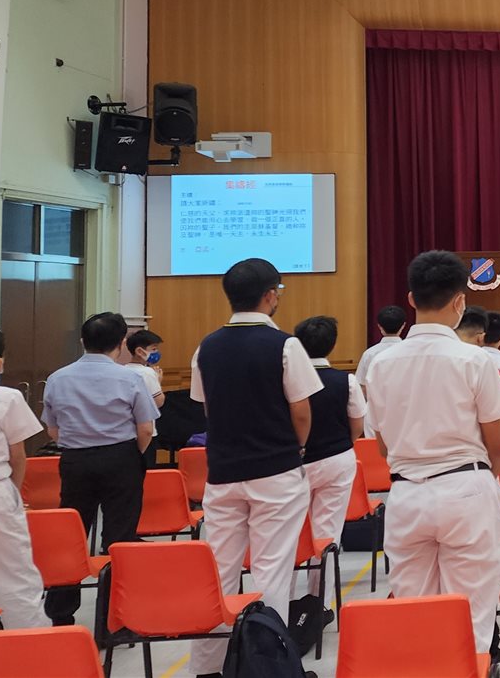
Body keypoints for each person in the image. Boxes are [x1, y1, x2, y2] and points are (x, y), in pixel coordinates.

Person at [364, 251, 500, 652]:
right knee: (473, 617)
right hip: (466, 487)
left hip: (406, 494)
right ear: (460, 301)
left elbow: (381, 445)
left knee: (416, 619)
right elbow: (497, 444)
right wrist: (482, 481)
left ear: (411, 300)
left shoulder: (380, 364)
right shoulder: (475, 360)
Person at [188, 259, 319, 678]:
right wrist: (296, 449)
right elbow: (301, 411)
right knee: (271, 571)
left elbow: (209, 408)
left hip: (223, 472)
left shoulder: (205, 346)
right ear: (270, 295)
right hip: (276, 471)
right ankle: (265, 665)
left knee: (218, 571)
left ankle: (207, 667)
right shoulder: (285, 345)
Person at [40, 312, 159, 625]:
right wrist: (130, 456)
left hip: (75, 460)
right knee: (119, 538)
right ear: (121, 344)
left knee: (72, 533)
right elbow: (145, 429)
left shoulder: (58, 378)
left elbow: (52, 431)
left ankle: (61, 614)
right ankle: (113, 620)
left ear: (82, 341)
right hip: (121, 458)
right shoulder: (130, 378)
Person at [0, 323, 49, 630]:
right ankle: (33, 658)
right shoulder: (5, 397)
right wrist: (12, 493)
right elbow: (18, 455)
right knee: (15, 582)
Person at [293, 315, 365, 606]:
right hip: (336, 458)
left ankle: (276, 605)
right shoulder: (345, 380)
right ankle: (318, 602)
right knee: (327, 532)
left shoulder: (285, 380)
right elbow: (357, 425)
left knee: (288, 535)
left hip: (293, 463)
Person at [356, 304, 407, 391]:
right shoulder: (410, 352)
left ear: (379, 326)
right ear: (403, 325)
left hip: (376, 403)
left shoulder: (369, 354)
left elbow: (362, 386)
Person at [124, 328, 166, 409]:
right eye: (154, 349)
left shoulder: (123, 369)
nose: (157, 352)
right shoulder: (147, 372)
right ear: (139, 351)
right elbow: (159, 402)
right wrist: (158, 382)